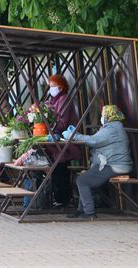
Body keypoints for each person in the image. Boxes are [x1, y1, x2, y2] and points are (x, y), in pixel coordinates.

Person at [63, 105, 133, 219]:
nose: (102, 117)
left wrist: (73, 136)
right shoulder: (113, 127)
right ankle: (81, 210)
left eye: (103, 115)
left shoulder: (112, 129)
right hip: (112, 163)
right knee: (83, 177)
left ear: (109, 116)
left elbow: (93, 141)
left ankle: (89, 213)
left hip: (115, 165)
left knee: (82, 180)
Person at [47, 74, 82, 207]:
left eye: (53, 86)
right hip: (58, 143)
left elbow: (62, 121)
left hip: (64, 141)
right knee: (58, 169)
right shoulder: (53, 99)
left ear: (61, 87)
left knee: (61, 170)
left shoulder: (64, 99)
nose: (51, 89)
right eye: (50, 86)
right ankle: (60, 198)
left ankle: (63, 199)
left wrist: (50, 128)